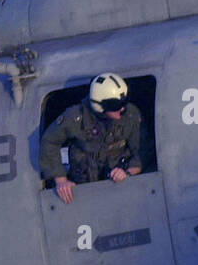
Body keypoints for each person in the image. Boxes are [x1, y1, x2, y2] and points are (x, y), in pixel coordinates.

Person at [40, 72, 143, 204]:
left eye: (124, 103)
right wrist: (61, 180)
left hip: (118, 187)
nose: (122, 109)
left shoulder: (130, 115)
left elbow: (142, 150)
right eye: (116, 106)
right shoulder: (76, 118)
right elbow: (49, 141)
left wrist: (127, 173)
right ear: (99, 106)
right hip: (84, 189)